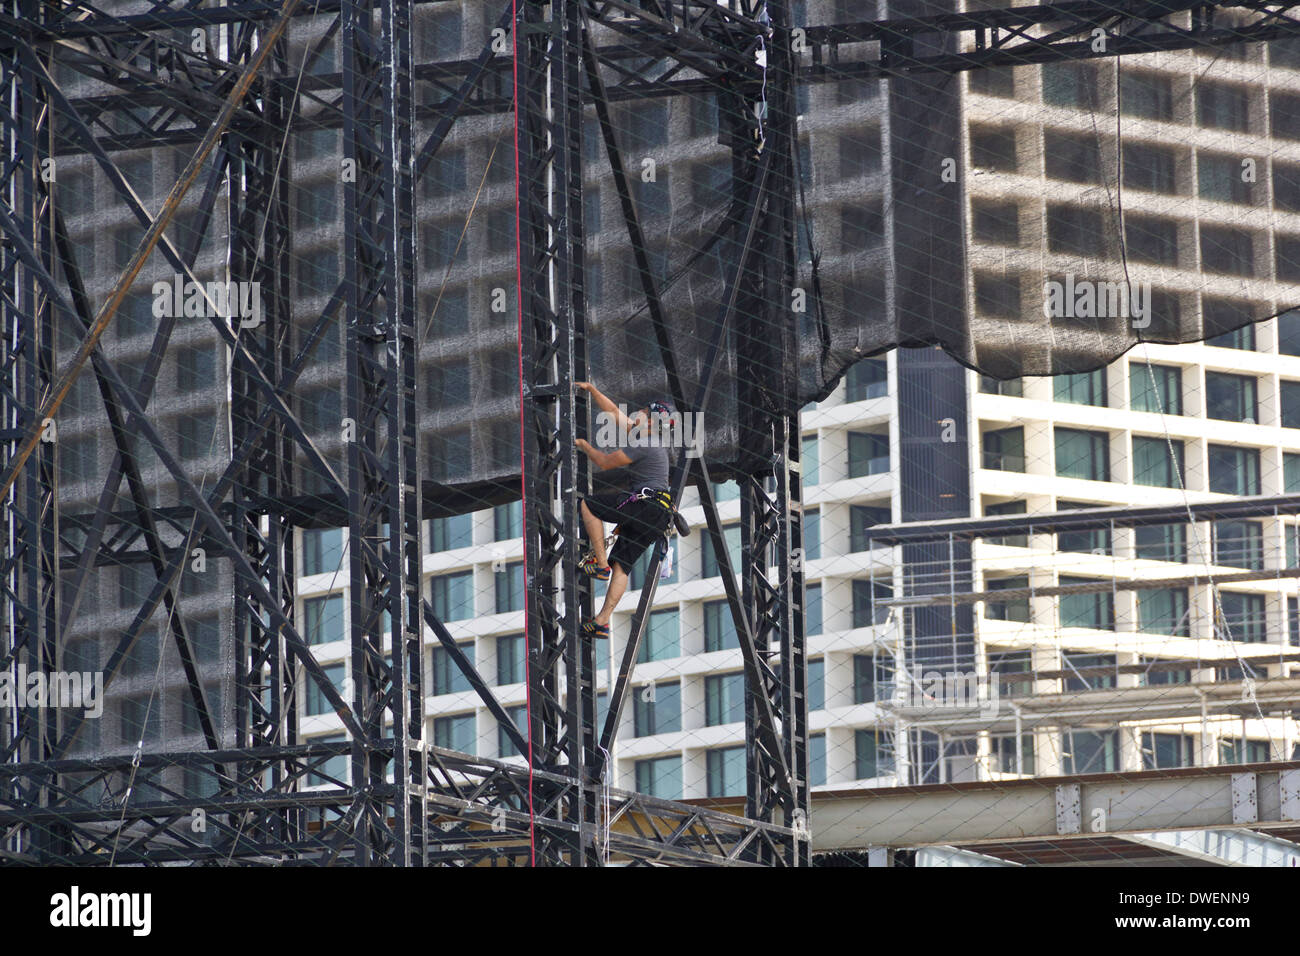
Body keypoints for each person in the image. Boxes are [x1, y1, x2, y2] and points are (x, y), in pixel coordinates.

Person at [573, 380, 675, 639]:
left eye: (642, 411)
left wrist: (584, 446)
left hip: (646, 503)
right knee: (623, 566)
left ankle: (599, 563)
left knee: (589, 504)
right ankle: (601, 621)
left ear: (650, 421)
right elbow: (614, 414)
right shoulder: (648, 438)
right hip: (658, 515)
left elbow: (605, 463)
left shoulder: (644, 443)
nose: (637, 413)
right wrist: (594, 390)